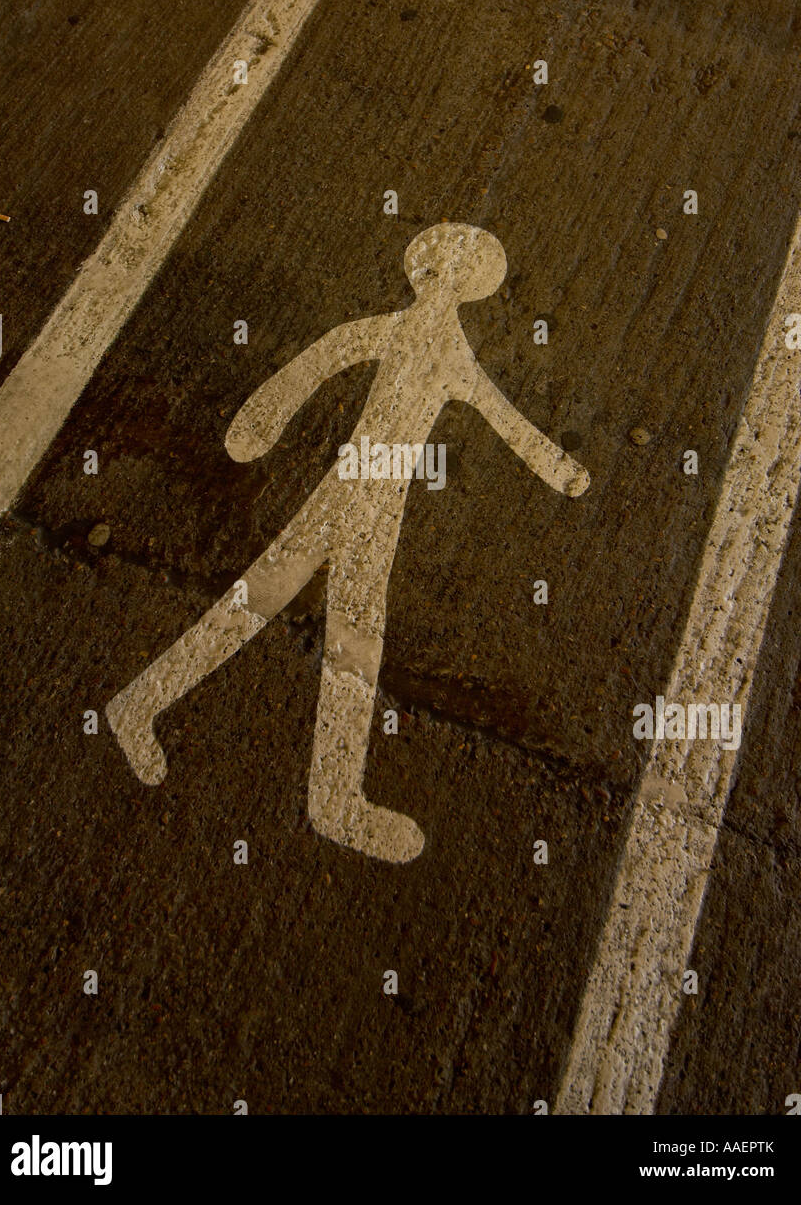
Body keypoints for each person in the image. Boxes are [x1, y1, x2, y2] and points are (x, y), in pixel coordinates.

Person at [106, 223, 589, 863]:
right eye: (438, 269)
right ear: (422, 273)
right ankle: (171, 721)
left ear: (468, 290)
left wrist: (558, 467)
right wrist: (260, 421)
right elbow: (320, 360)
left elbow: (501, 415)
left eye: (458, 275)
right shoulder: (392, 332)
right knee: (286, 609)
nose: (443, 283)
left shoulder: (452, 356)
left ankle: (323, 791)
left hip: (376, 502)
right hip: (352, 492)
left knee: (327, 619)